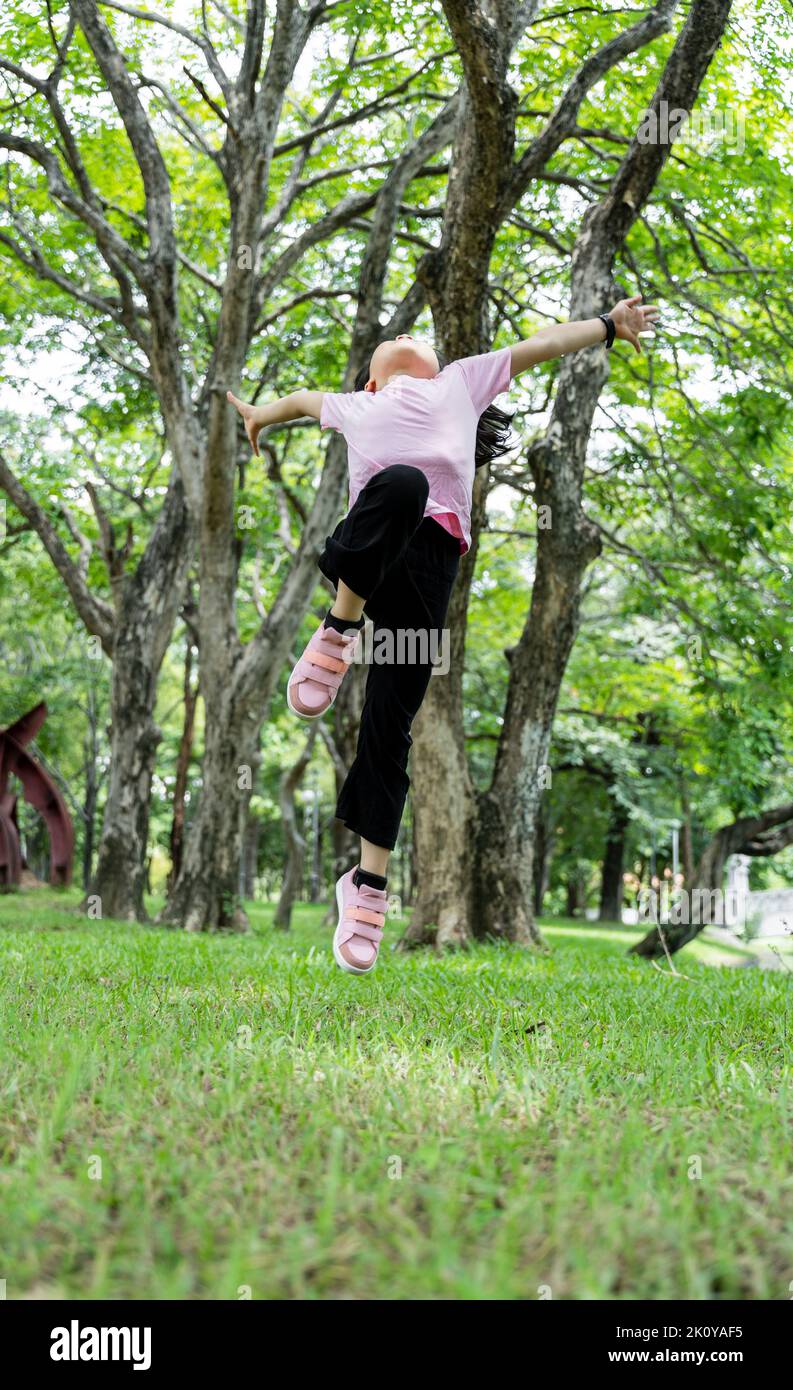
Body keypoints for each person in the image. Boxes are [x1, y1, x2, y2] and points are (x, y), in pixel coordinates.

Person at [228, 294, 658, 973]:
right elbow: (299, 401)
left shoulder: (461, 380)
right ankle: (337, 630)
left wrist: (608, 325)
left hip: (428, 572)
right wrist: (258, 415)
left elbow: (544, 343)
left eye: (414, 333)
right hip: (372, 552)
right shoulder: (353, 404)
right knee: (399, 485)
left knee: (388, 725)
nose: (403, 331)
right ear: (370, 381)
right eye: (390, 336)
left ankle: (366, 886)